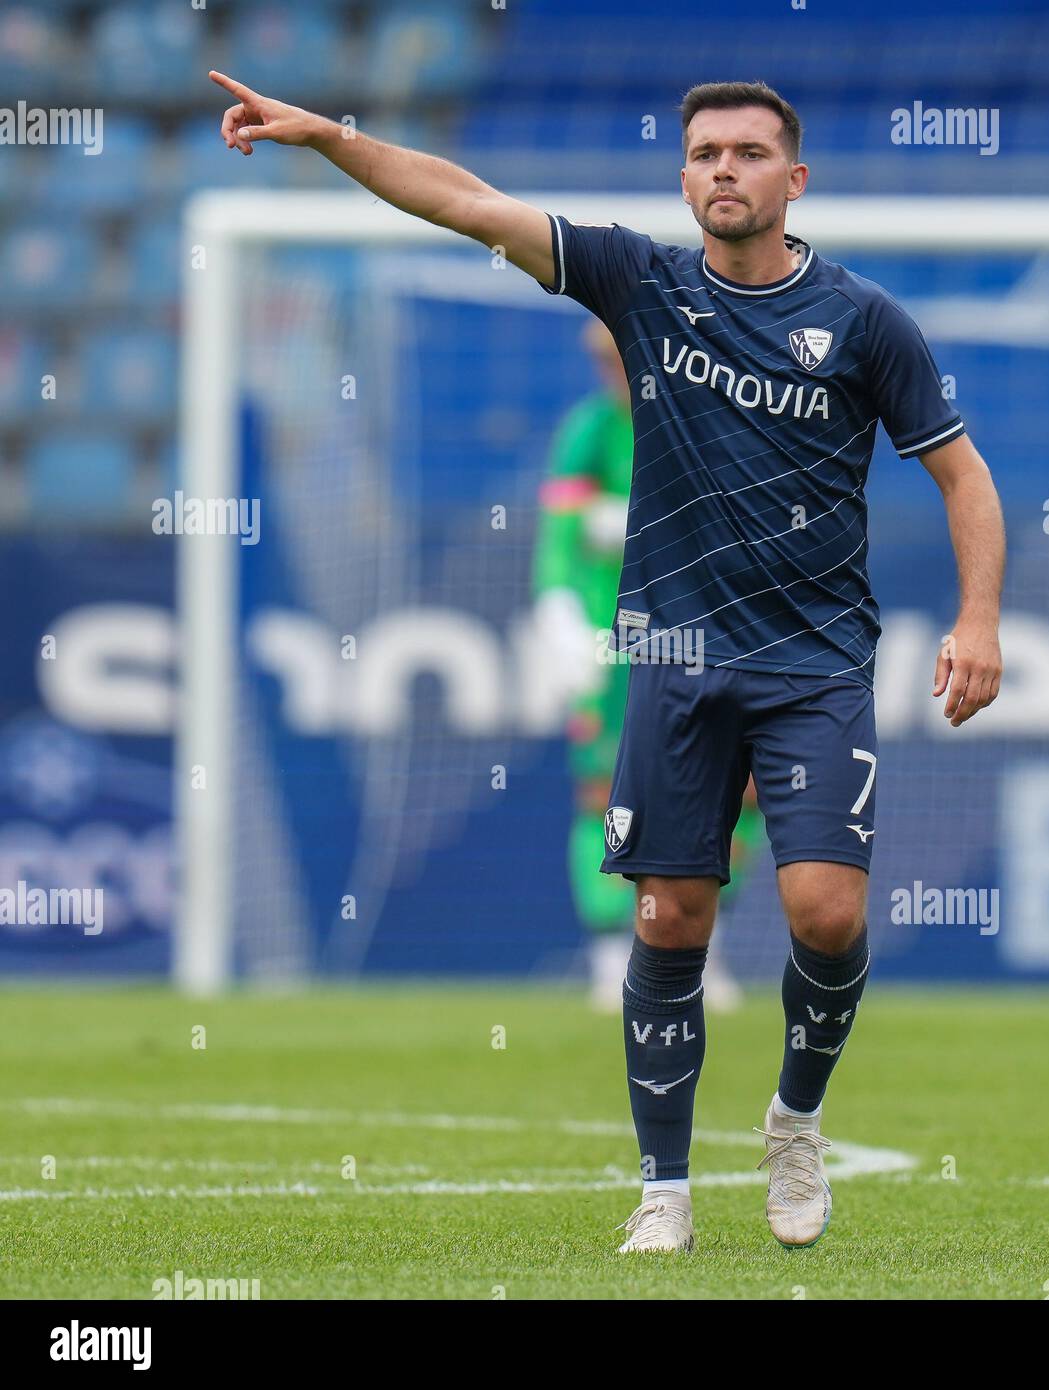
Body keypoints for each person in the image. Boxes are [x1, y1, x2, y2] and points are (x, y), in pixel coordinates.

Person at [209, 72, 1005, 1253]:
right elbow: (470, 205)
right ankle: (665, 1188)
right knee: (672, 917)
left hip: (816, 661)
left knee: (824, 913)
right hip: (674, 663)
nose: (723, 170)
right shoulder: (640, 282)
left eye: (746, 152)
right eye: (703, 154)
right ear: (681, 177)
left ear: (795, 179)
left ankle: (795, 1119)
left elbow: (963, 475)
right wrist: (332, 137)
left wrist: (978, 621)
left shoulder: (864, 321)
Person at [531, 319, 761, 1012]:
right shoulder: (590, 431)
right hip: (615, 644)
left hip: (712, 637)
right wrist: (557, 612)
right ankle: (611, 956)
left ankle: (700, 954)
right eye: (605, 361)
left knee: (733, 795)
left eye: (623, 358)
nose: (615, 375)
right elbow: (558, 539)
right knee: (607, 796)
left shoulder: (717, 425)